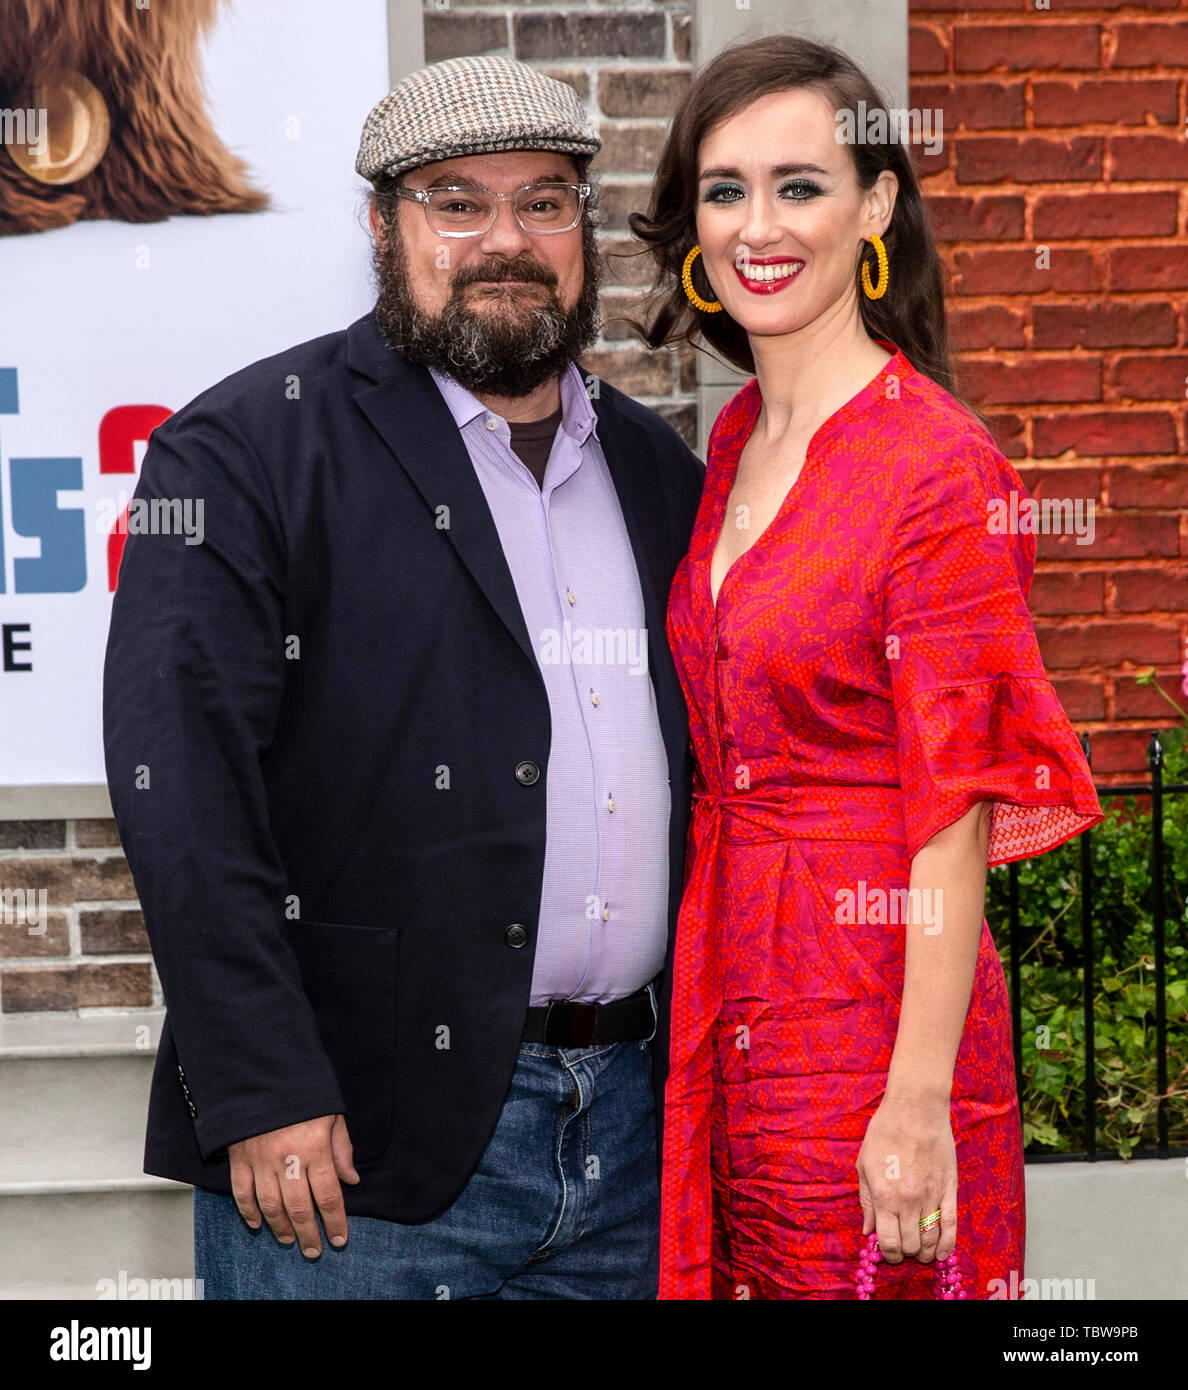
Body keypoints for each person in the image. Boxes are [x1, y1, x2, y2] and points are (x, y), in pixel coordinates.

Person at [103, 54, 704, 1300]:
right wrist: (261, 1082)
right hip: (349, 1162)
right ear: (383, 226)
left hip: (637, 1147)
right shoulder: (243, 451)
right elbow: (184, 797)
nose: (506, 239)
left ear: (582, 230)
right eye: (456, 201)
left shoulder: (656, 471)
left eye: (544, 200)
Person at [626, 34, 1104, 1300]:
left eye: (800, 184)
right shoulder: (735, 439)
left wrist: (915, 1093)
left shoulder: (935, 468)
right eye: (725, 189)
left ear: (876, 203)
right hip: (729, 981)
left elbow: (955, 809)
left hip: (867, 1005)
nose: (757, 226)